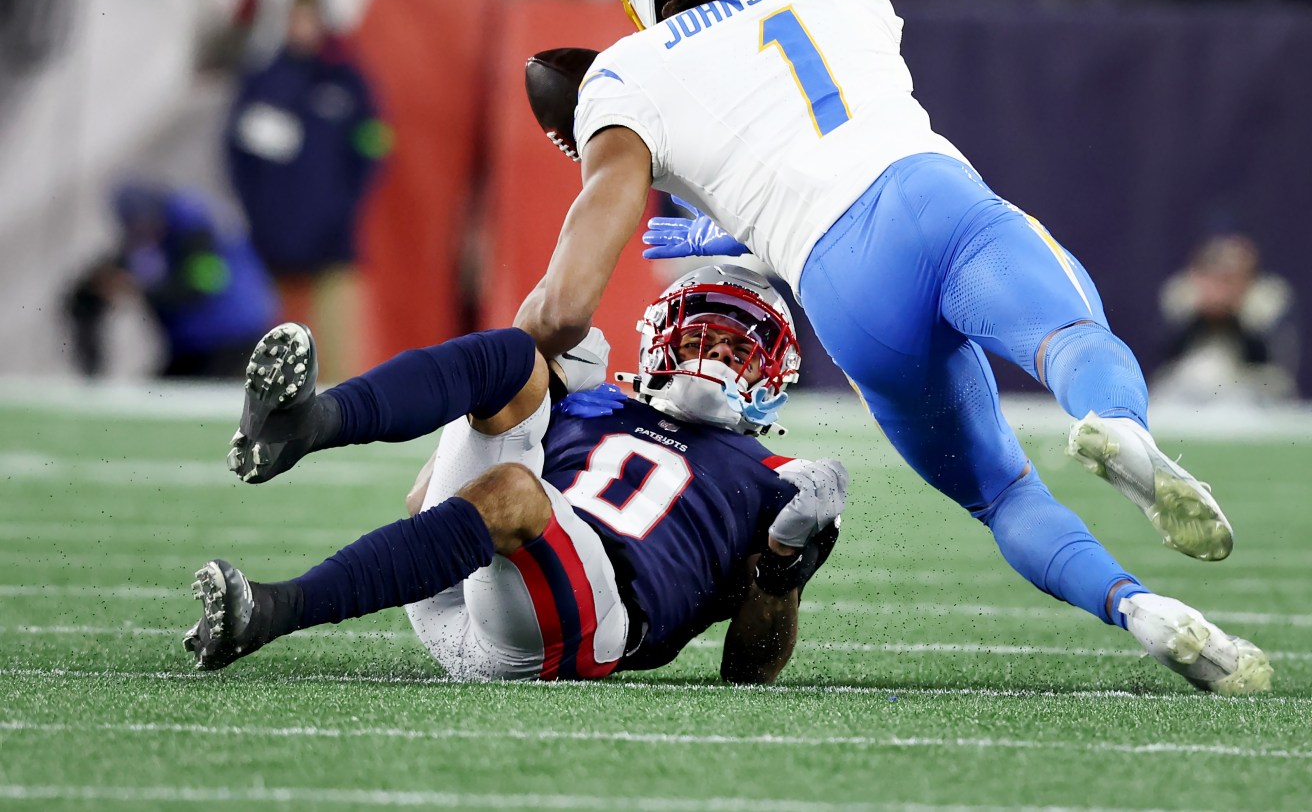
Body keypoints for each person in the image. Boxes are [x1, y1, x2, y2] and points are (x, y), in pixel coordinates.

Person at [513, 0, 1271, 693]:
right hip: (937, 209)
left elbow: (583, 288)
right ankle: (1119, 428)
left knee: (1001, 493)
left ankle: (1137, 607)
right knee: (1069, 333)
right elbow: (823, 130)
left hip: (841, 288)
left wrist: (511, 360)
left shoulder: (629, 73)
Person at [184, 264, 847, 683]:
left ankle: (268, 613)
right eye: (698, 337)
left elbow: (749, 670)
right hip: (460, 580)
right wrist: (535, 369)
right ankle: (308, 424)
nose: (712, 358)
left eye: (735, 347)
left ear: (772, 373)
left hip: (589, 627)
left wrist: (785, 560)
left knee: (519, 494)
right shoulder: (597, 398)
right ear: (662, 340)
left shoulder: (782, 479)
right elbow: (422, 500)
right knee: (518, 356)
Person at [226, 0, 386, 382]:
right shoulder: (264, 83)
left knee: (339, 351)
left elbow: (373, 145)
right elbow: (237, 153)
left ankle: (344, 420)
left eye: (310, 20)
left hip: (333, 237)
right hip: (273, 237)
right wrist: (257, 210)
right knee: (269, 343)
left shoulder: (346, 83)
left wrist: (345, 205)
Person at [65, 183, 278, 378]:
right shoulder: (147, 239)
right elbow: (91, 291)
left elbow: (201, 288)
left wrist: (139, 288)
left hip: (233, 337)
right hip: (192, 346)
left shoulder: (199, 230)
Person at [1153, 233, 1298, 405]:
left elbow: (1266, 357)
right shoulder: (1182, 295)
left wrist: (1233, 313)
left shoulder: (1268, 297)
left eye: (1230, 276)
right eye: (1213, 273)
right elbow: (1166, 352)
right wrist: (1202, 315)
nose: (1221, 285)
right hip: (1187, 389)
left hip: (1251, 387)